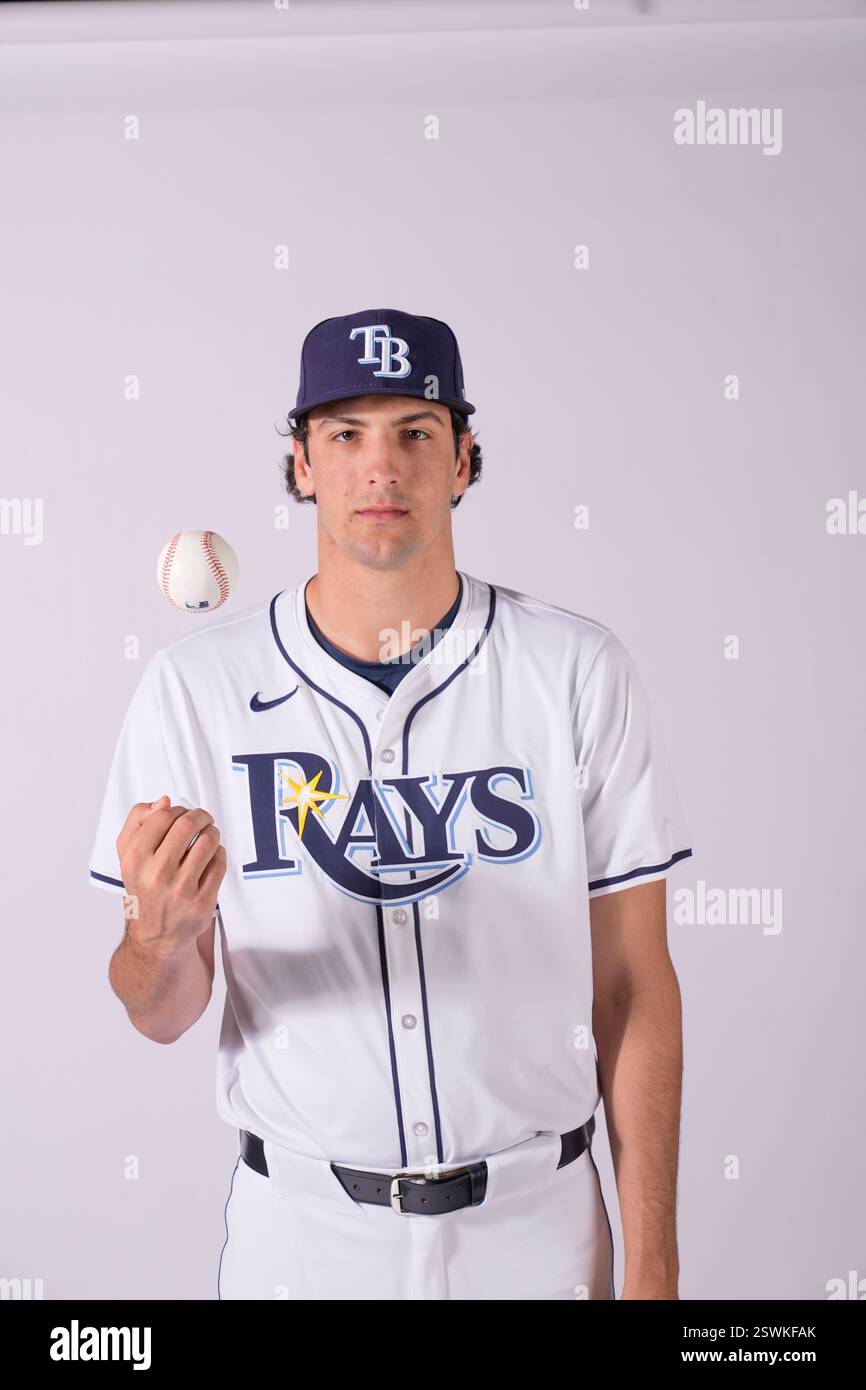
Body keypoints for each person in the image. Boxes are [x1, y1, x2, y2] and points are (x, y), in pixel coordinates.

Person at [89, 308, 693, 1300]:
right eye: (344, 434)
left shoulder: (573, 670)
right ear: (299, 464)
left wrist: (654, 1273)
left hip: (536, 1234)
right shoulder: (192, 689)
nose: (380, 467)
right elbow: (160, 1013)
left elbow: (631, 985)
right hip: (302, 1241)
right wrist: (158, 941)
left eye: (414, 432)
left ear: (462, 460)